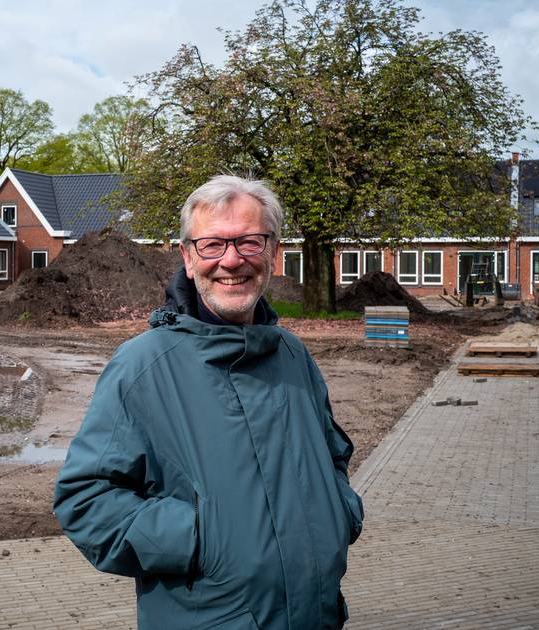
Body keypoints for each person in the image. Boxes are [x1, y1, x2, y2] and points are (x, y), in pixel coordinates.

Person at [53, 175, 363, 629]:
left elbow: (332, 459)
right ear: (187, 256)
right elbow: (85, 500)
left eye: (249, 242)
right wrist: (202, 538)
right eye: (213, 244)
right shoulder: (143, 368)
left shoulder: (294, 356)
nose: (232, 261)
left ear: (274, 251)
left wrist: (339, 513)